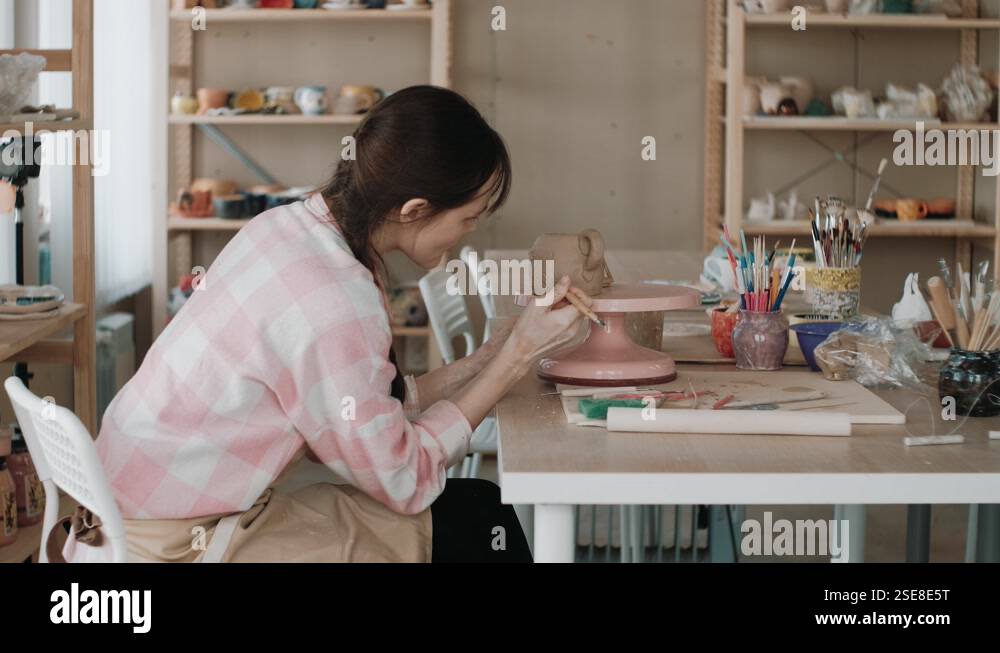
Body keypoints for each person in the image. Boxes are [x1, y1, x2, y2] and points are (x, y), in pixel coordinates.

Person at [65, 85, 593, 563]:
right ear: (414, 209)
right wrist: (515, 359)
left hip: (126, 501)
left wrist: (487, 359)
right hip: (175, 539)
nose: (466, 235)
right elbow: (405, 479)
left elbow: (351, 411)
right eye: (467, 219)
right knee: (475, 526)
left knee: (478, 508)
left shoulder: (288, 226)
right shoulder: (337, 298)